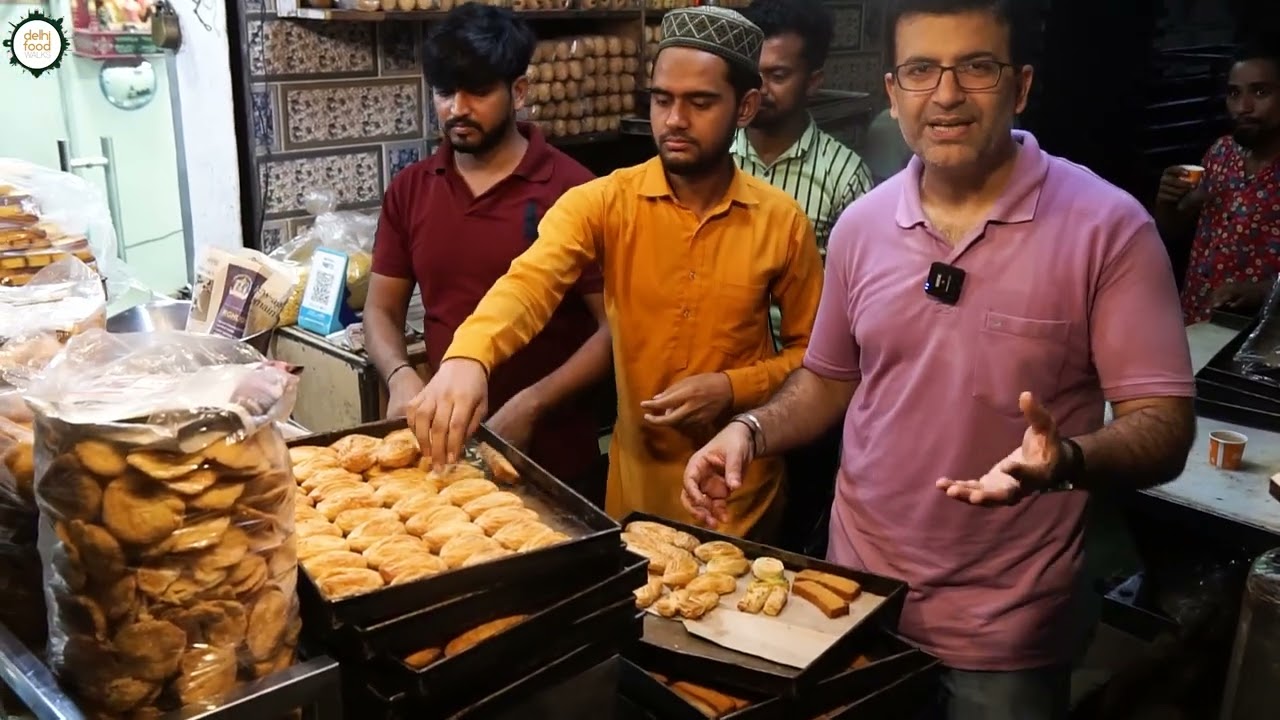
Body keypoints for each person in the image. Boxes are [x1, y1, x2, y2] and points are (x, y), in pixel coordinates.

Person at [681, 1, 1197, 718]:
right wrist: (750, 430)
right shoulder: (863, 226)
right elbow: (829, 382)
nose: (946, 94)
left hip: (1006, 629)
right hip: (853, 597)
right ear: (893, 94)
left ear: (1018, 87)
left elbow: (1164, 425)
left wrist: (1067, 461)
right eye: (922, 69)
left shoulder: (1107, 228)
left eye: (975, 67)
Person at [404, 6, 824, 540]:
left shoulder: (781, 222)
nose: (674, 120)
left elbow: (812, 359)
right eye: (662, 99)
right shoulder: (605, 202)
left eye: (700, 102)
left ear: (744, 107)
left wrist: (733, 387)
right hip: (635, 500)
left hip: (739, 496)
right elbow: (530, 281)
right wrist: (469, 357)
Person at [365, 4, 611, 494]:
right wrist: (399, 376)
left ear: (518, 91)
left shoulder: (575, 191)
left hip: (554, 460)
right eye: (443, 92)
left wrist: (535, 403)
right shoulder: (412, 188)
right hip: (447, 456)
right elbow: (381, 309)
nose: (457, 108)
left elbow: (614, 330)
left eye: (476, 91)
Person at [735, 0, 871, 554]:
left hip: (806, 385)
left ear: (813, 80)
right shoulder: (717, 158)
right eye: (754, 75)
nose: (762, 88)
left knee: (792, 541)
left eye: (779, 75)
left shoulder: (845, 178)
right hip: (721, 374)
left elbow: (862, 303)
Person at [1156, 38, 1280, 324]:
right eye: (1234, 93)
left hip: (1260, 337)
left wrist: (1263, 291)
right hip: (1196, 323)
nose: (1243, 107)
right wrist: (1167, 204)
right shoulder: (1221, 153)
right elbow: (1172, 232)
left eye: (1260, 92)